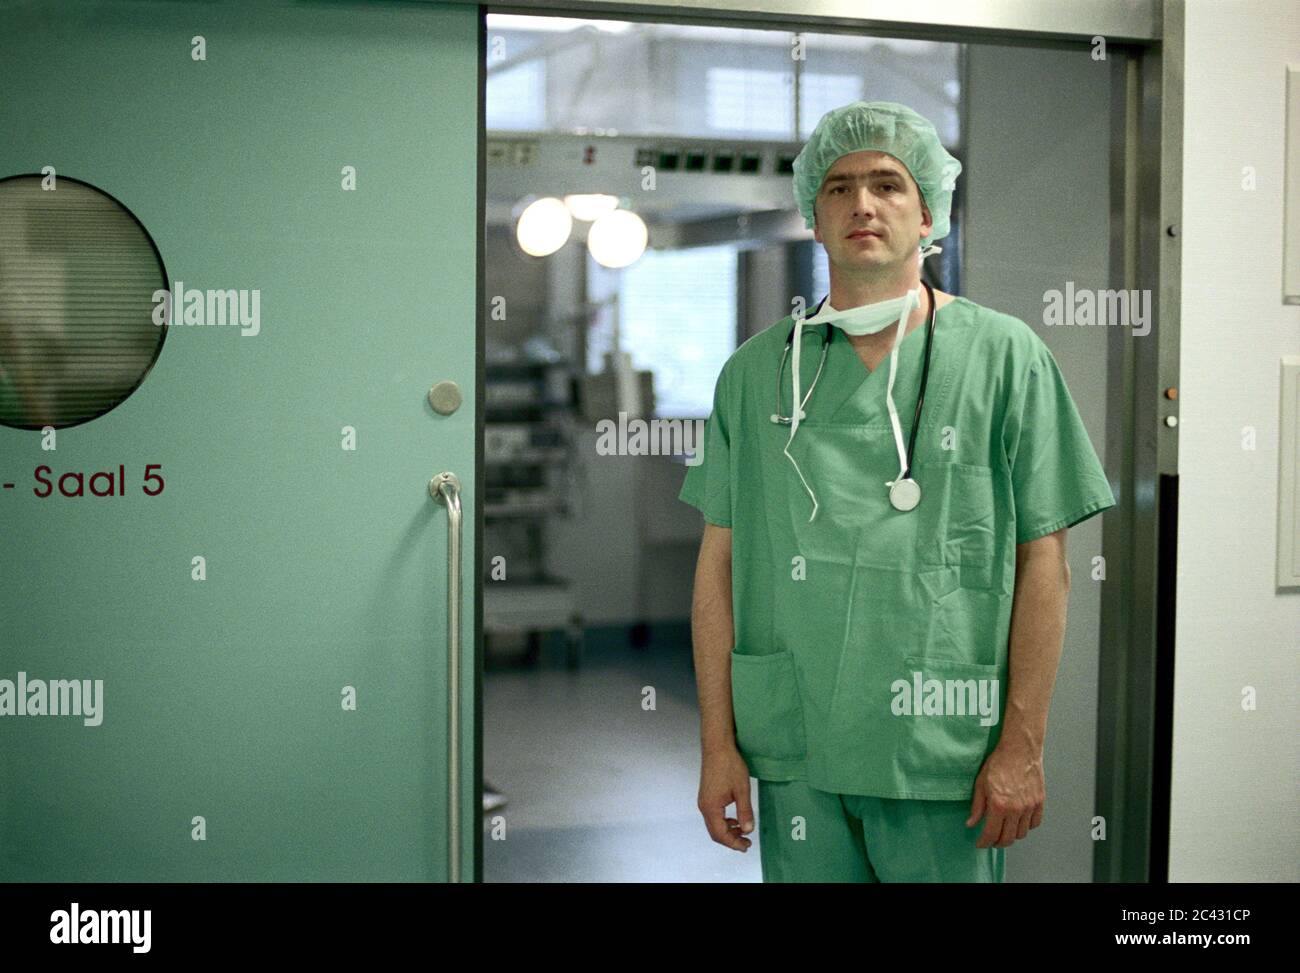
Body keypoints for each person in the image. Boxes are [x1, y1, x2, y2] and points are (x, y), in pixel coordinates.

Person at [678, 100, 1116, 882]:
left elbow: (1042, 564)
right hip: (797, 743)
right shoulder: (755, 372)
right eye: (839, 188)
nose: (863, 204)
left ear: (929, 216)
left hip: (938, 750)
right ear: (814, 216)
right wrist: (718, 744)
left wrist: (1022, 744)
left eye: (888, 184)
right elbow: (718, 568)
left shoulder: (1006, 358)